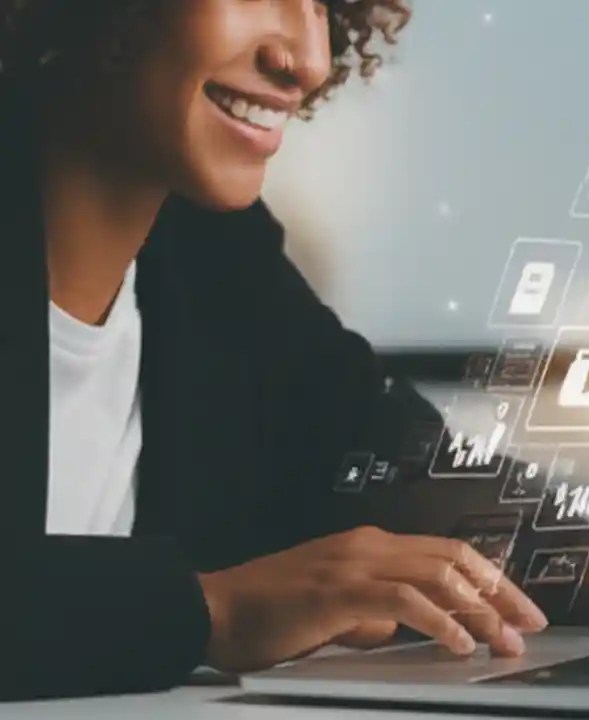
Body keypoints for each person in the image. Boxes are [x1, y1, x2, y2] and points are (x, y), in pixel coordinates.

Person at [0, 0, 548, 701]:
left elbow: (381, 451)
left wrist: (535, 555)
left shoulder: (211, 255)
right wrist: (215, 609)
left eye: (320, 5)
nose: (309, 62)